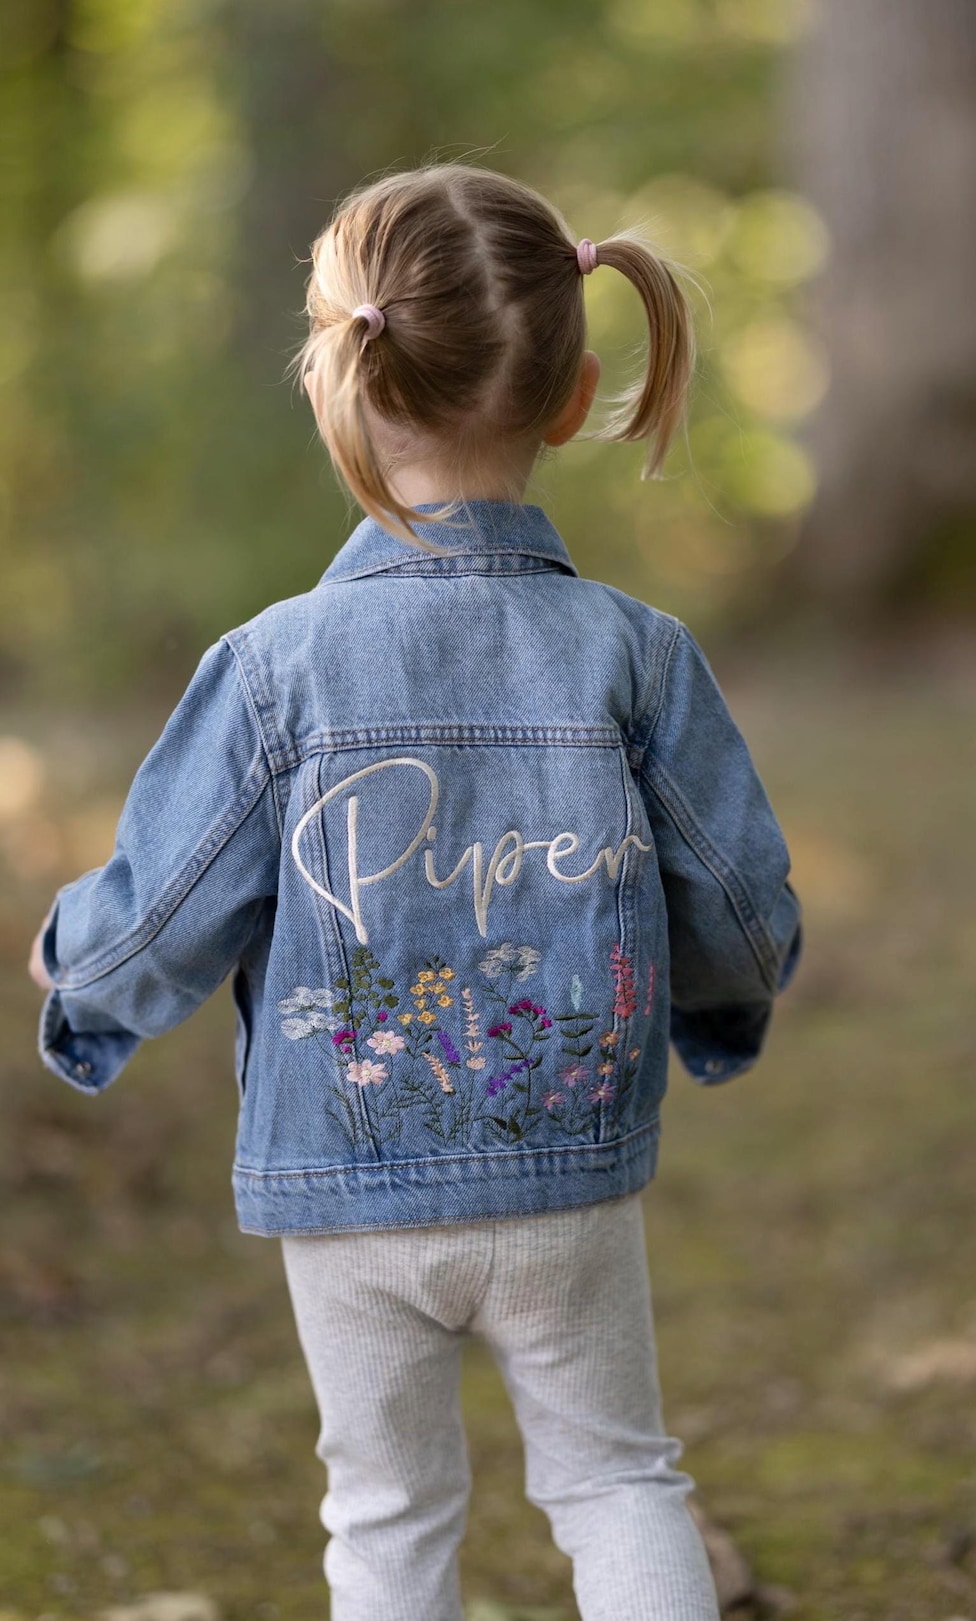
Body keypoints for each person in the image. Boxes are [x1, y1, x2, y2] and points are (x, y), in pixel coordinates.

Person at [29, 162, 802, 1621]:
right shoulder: (637, 653)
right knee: (619, 1479)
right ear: (572, 399)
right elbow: (743, 902)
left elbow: (159, 912)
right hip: (569, 1170)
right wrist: (718, 1013)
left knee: (384, 1515)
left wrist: (74, 973)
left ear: (337, 386)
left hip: (349, 1185)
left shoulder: (274, 666)